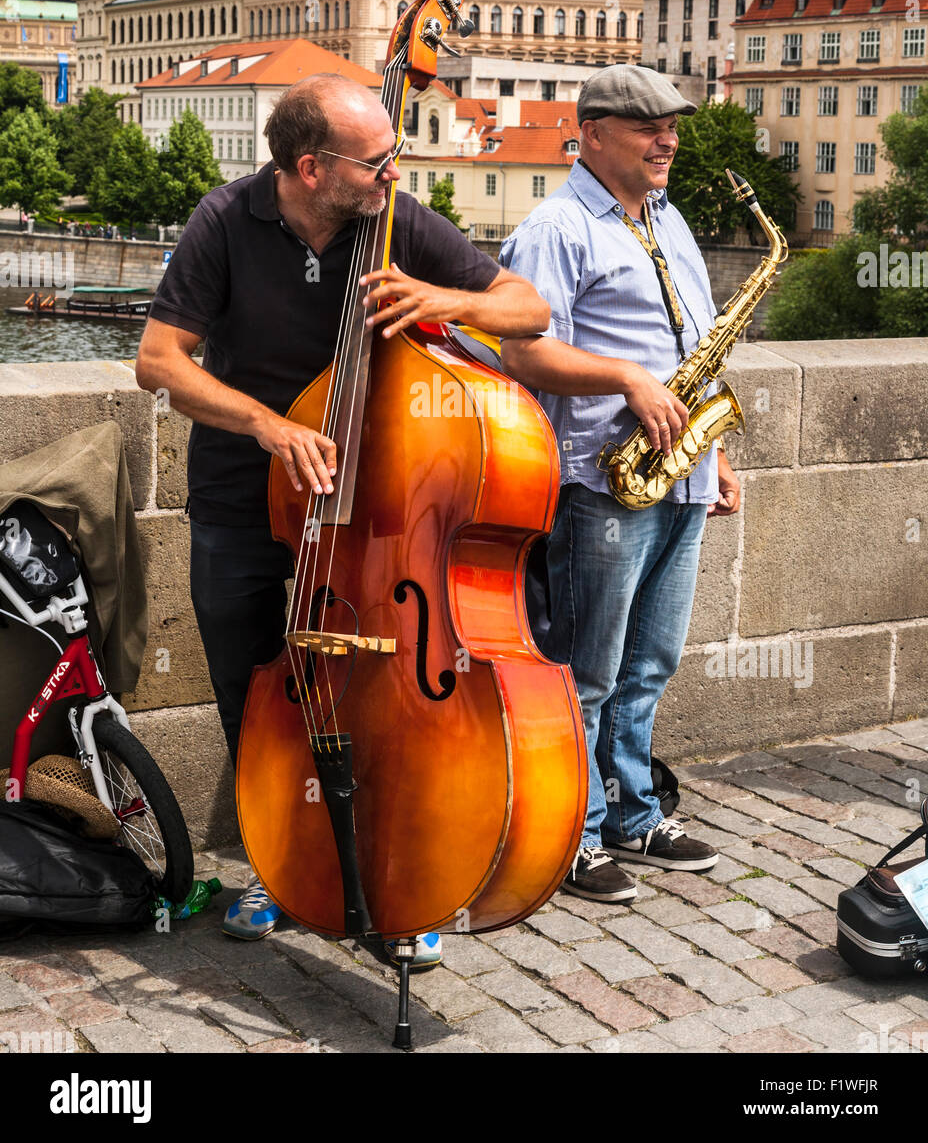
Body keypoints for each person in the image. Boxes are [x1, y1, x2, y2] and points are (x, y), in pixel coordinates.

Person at [135, 74, 549, 957]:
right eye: (376, 160)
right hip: (246, 503)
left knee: (379, 699)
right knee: (260, 698)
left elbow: (528, 307)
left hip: (378, 517)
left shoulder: (395, 221)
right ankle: (278, 865)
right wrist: (269, 425)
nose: (394, 172)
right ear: (312, 167)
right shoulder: (225, 219)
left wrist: (452, 303)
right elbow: (160, 362)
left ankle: (395, 876)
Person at [498, 65, 741, 903]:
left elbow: (692, 347)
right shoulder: (554, 229)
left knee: (651, 663)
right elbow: (523, 354)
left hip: (678, 476)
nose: (666, 138)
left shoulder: (667, 218)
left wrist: (712, 453)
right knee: (587, 671)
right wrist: (628, 381)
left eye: (672, 124)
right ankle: (573, 831)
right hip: (599, 483)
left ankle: (634, 814)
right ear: (592, 132)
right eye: (646, 125)